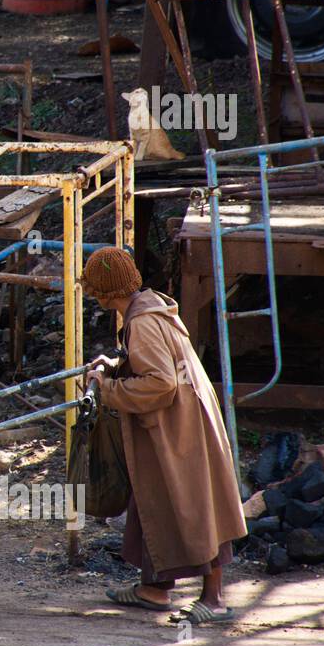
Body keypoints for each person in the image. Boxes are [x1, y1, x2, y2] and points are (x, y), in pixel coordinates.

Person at [82, 247, 247, 624]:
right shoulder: (150, 304)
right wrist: (116, 364)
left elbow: (160, 383)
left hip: (179, 425)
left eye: (96, 291)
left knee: (196, 505)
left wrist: (107, 390)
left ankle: (214, 598)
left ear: (105, 294)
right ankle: (154, 589)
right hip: (183, 418)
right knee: (153, 498)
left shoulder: (140, 322)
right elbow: (154, 362)